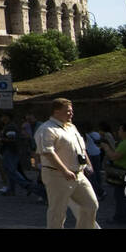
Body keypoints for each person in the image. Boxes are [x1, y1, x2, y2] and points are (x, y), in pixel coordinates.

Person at [35, 98, 99, 229]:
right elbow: (48, 152)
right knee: (57, 212)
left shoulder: (71, 127)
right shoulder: (46, 129)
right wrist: (64, 170)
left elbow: (81, 148)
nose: (71, 113)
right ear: (56, 111)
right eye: (68, 111)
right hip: (57, 175)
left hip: (79, 175)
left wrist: (88, 164)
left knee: (91, 205)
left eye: (71, 111)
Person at [0, 114, 40, 199]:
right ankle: (11, 189)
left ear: (7, 117)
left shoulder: (10, 127)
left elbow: (11, 139)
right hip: (13, 150)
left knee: (11, 170)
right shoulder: (10, 126)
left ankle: (28, 186)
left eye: (3, 116)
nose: (2, 118)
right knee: (11, 171)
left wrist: (0, 139)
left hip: (10, 150)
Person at [80, 122, 104, 198]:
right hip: (97, 152)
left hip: (89, 153)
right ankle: (99, 186)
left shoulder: (84, 135)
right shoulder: (96, 134)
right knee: (97, 171)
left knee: (90, 173)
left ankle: (98, 190)